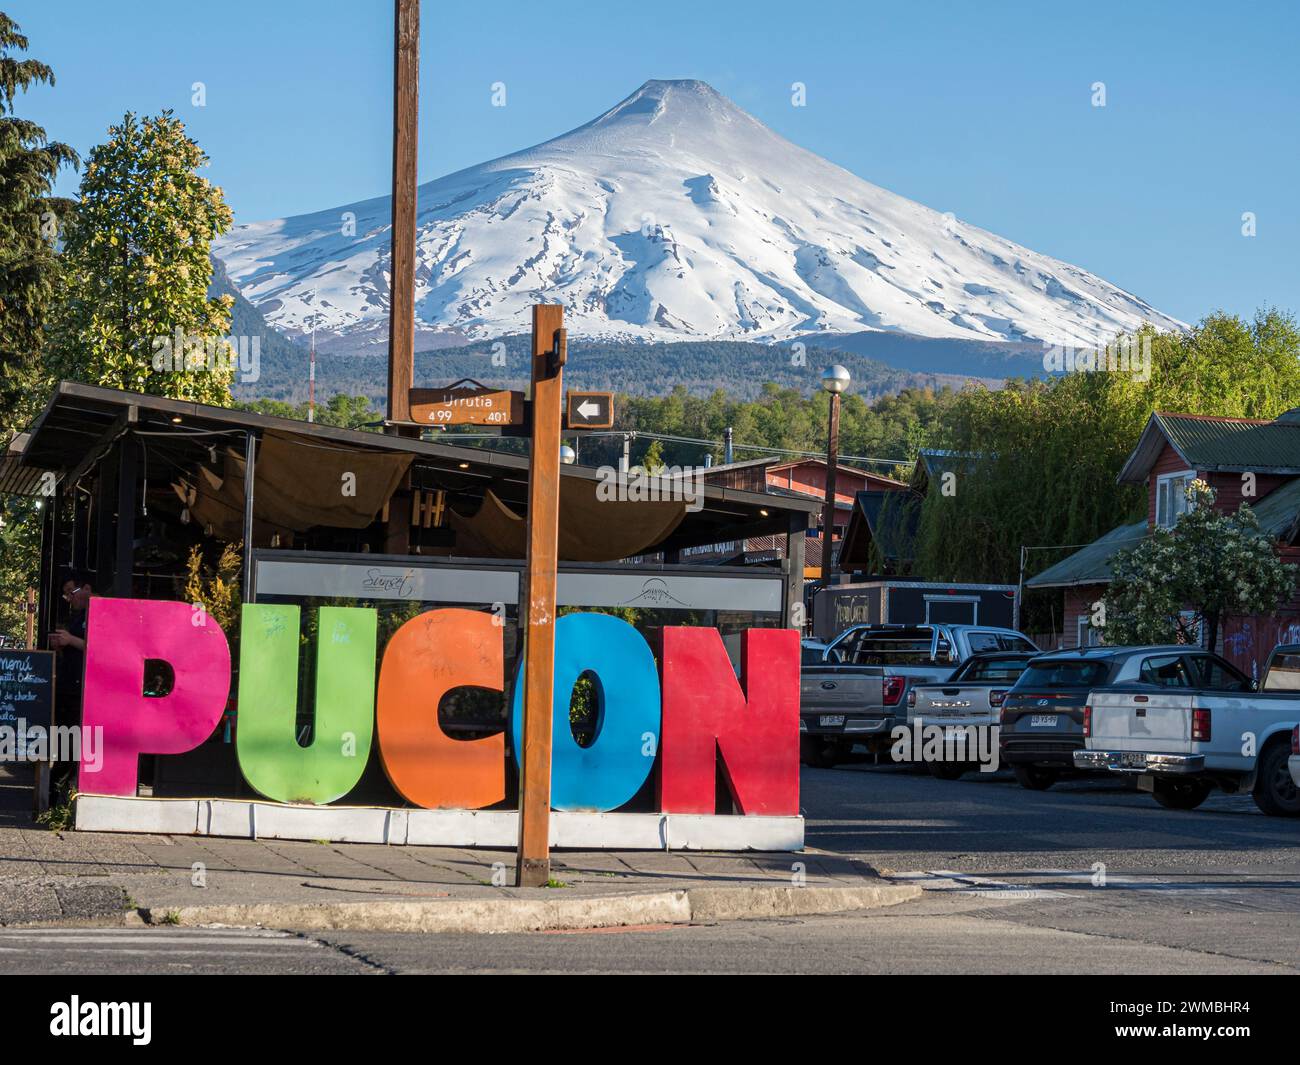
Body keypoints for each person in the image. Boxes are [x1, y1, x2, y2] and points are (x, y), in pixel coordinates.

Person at [48, 571, 93, 787]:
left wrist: (70, 639)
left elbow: (99, 649)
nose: (69, 598)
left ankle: (57, 790)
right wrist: (61, 645)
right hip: (69, 685)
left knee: (71, 743)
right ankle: (58, 790)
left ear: (87, 589)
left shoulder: (99, 615)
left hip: (82, 690)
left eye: (71, 592)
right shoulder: (77, 617)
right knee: (65, 741)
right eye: (66, 595)